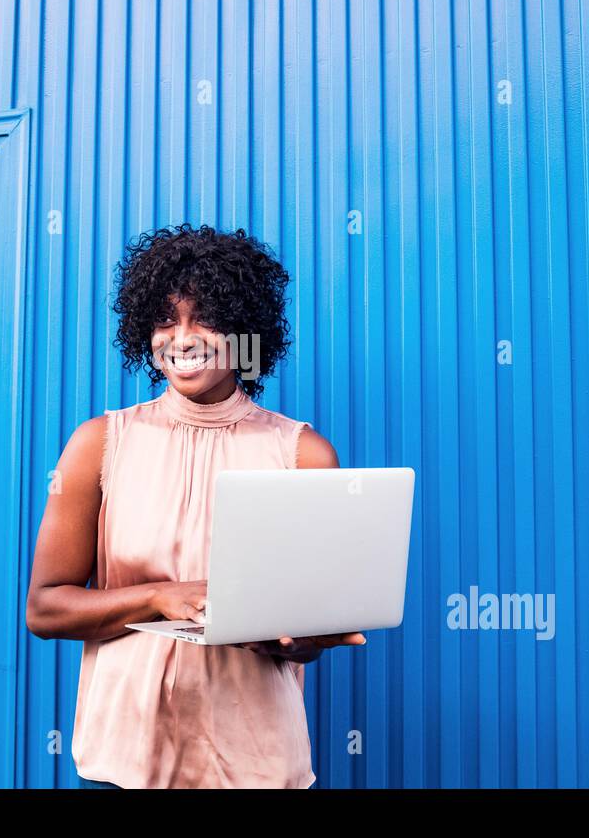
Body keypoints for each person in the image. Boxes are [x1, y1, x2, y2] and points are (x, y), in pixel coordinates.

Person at [25, 224, 366, 789]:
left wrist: (298, 640)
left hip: (255, 761)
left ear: (245, 330)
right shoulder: (98, 443)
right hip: (126, 757)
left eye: (204, 317)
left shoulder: (303, 453)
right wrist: (161, 597)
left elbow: (308, 637)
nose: (182, 338)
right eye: (165, 320)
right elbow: (45, 609)